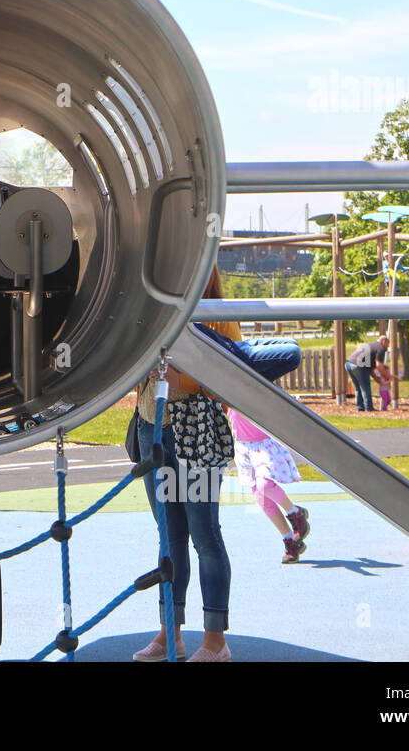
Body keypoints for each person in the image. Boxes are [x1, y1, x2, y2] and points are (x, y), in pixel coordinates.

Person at [130, 267, 236, 663]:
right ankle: (168, 633)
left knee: (204, 536)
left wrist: (184, 382)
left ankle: (215, 641)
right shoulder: (153, 305)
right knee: (168, 536)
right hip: (150, 429)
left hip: (196, 433)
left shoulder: (218, 312)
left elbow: (233, 374)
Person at [227, 409, 311, 564]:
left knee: (265, 485)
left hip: (262, 444)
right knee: (262, 498)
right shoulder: (227, 388)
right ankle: (291, 541)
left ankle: (295, 512)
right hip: (243, 446)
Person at [346, 334, 392, 411]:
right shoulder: (380, 348)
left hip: (348, 363)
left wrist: (375, 377)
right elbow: (379, 365)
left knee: (358, 387)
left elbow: (369, 365)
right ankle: (369, 408)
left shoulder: (371, 345)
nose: (387, 347)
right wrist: (387, 376)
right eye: (388, 344)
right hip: (359, 365)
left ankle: (360, 407)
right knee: (365, 387)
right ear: (384, 342)